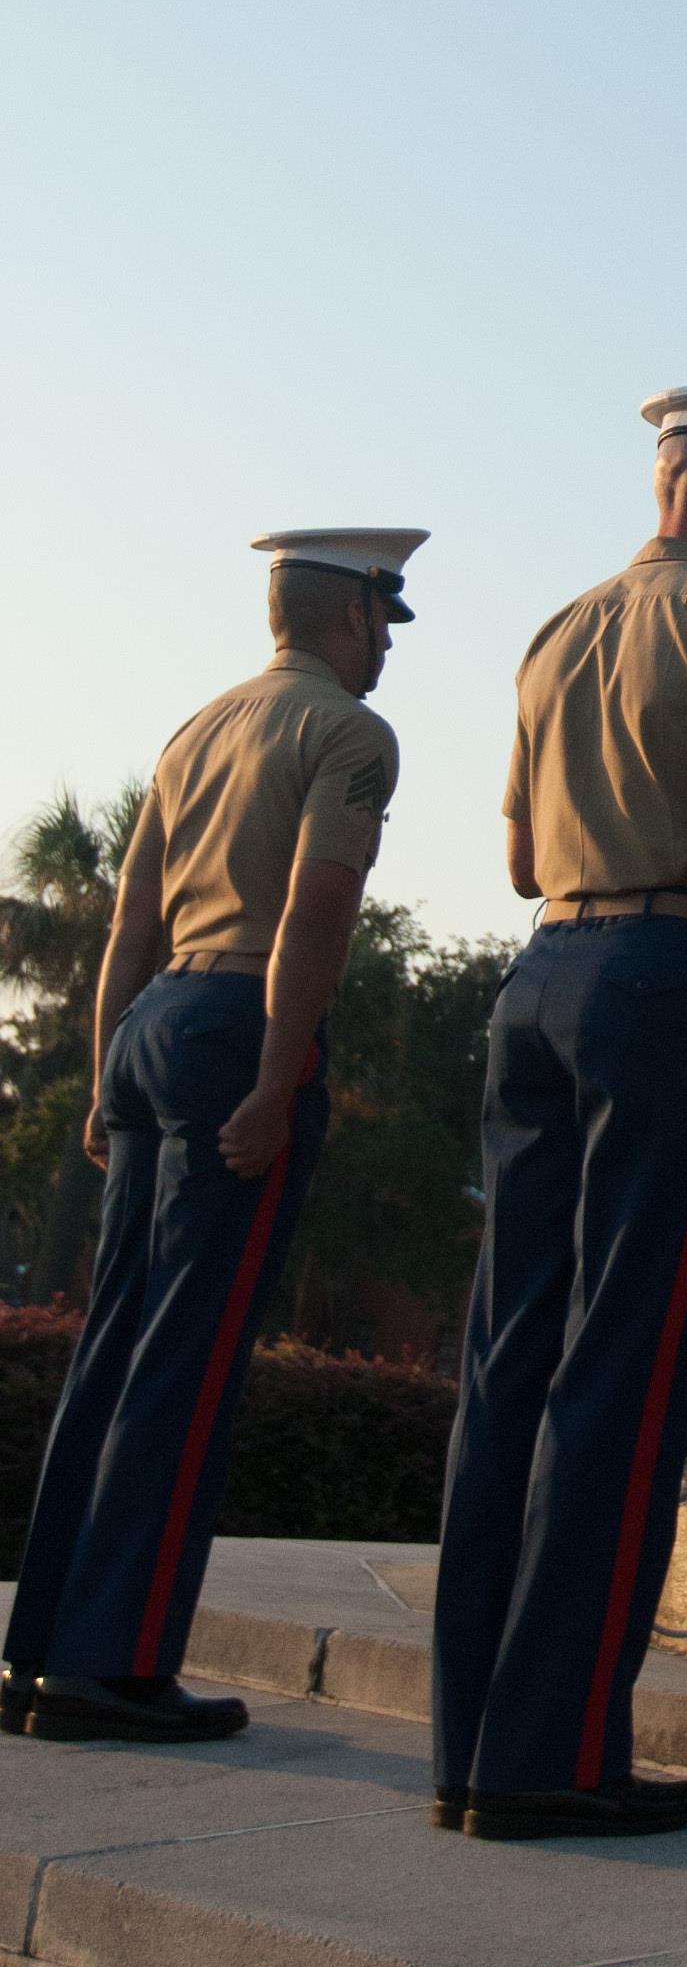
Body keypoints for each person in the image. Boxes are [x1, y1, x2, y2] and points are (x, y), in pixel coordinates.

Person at [430, 388, 687, 1840]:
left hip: (540, 971)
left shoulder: (558, 629)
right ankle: (554, 1758)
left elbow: (525, 851)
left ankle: (472, 1743)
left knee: (509, 1359)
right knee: (628, 1359)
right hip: (667, 977)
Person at [5, 527, 421, 1743]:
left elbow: (131, 915)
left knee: (117, 1343)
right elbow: (317, 911)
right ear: (350, 617)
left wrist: (102, 1078)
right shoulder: (348, 735)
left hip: (151, 1020)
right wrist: (279, 1079)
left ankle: (42, 1651)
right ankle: (117, 1665)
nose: (388, 643)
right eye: (385, 620)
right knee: (187, 1360)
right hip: (241, 1020)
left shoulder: (197, 730)